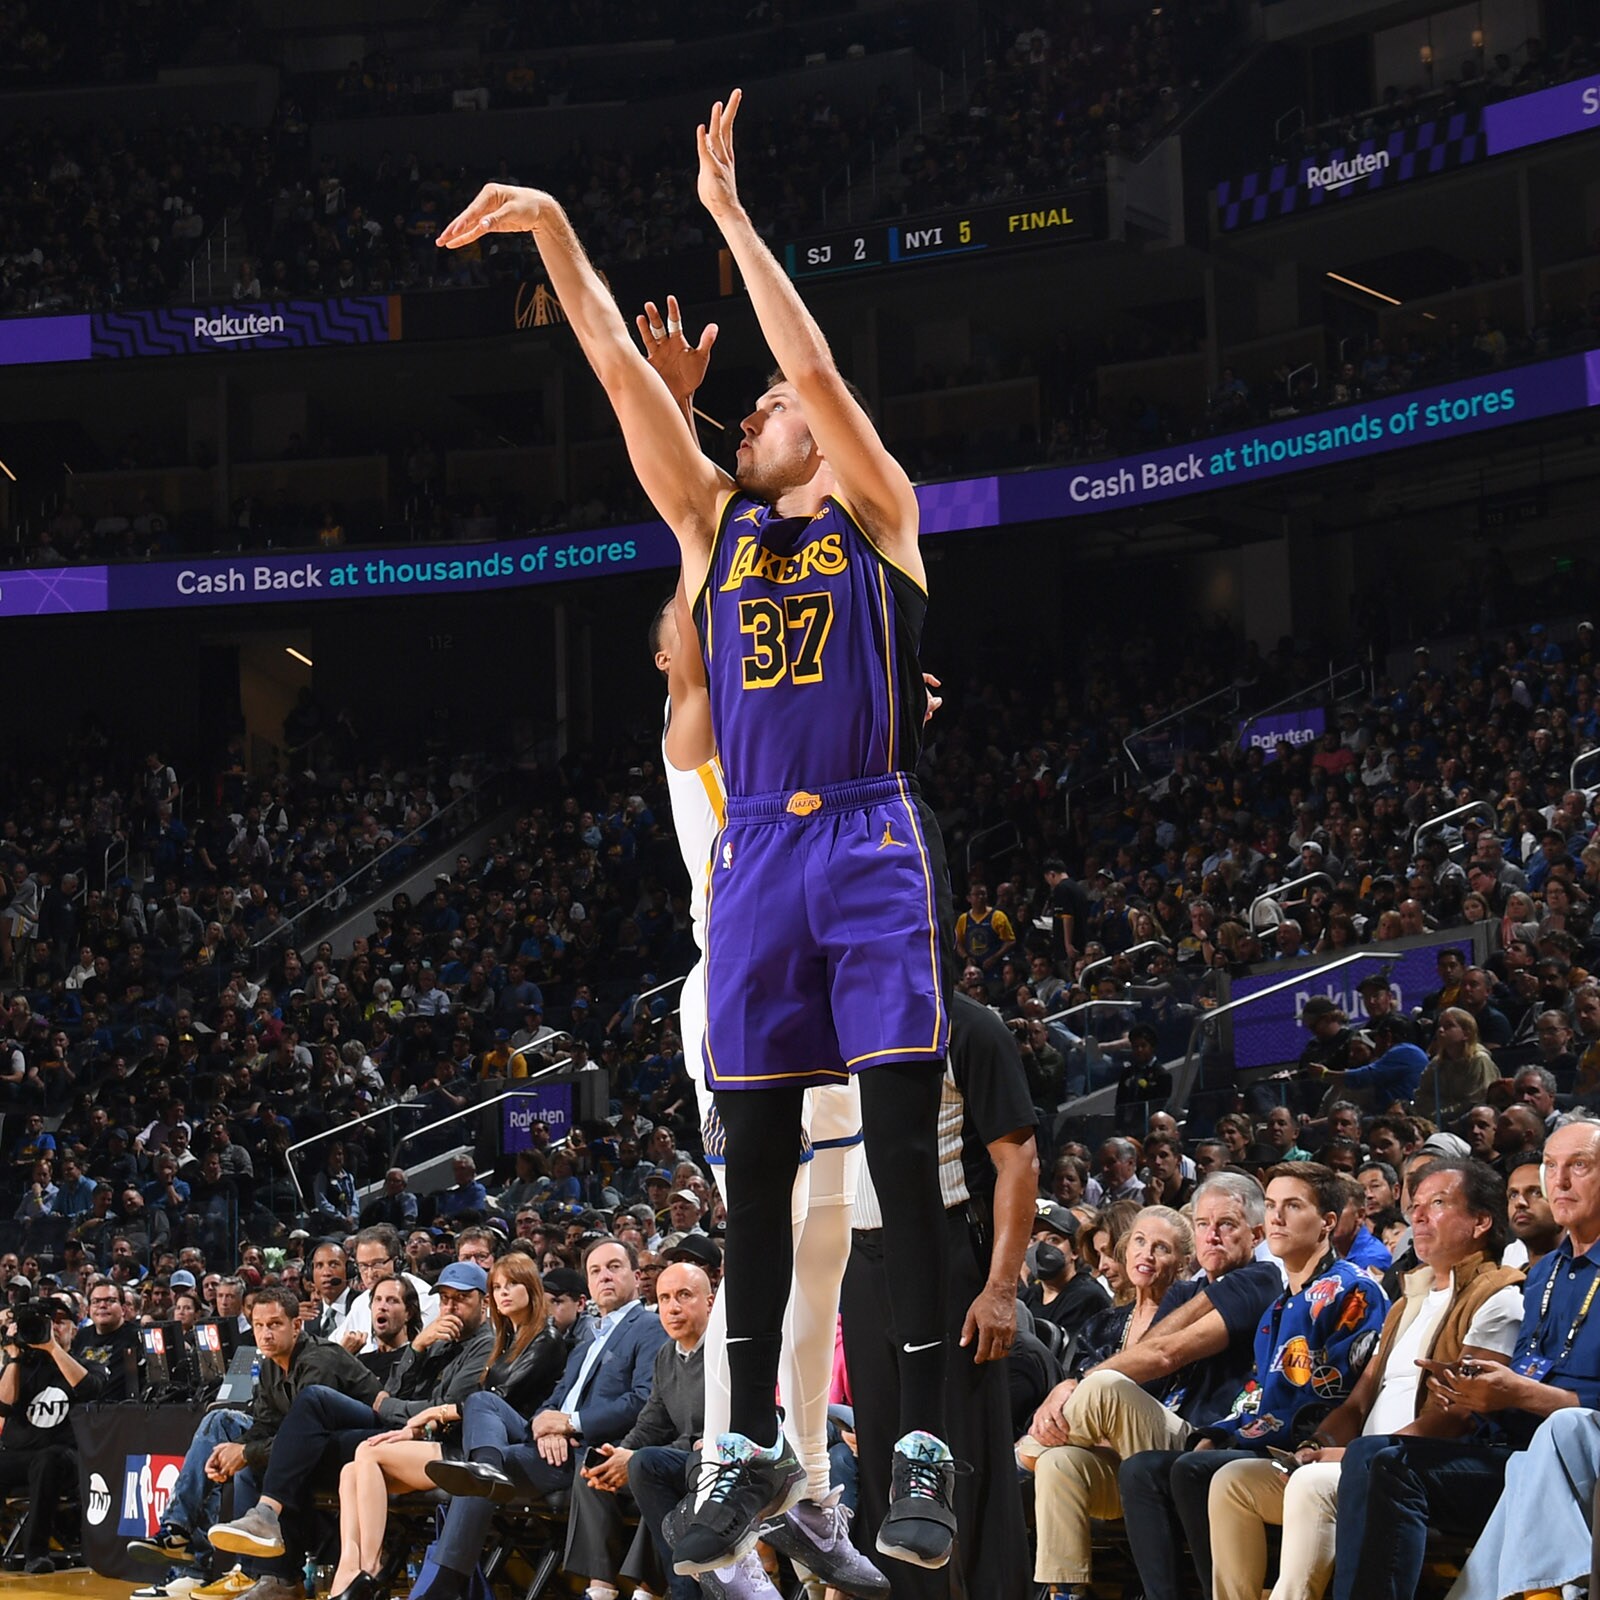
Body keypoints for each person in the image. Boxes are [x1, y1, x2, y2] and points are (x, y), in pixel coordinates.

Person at [439, 89, 958, 1572]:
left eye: (776, 410)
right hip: (752, 873)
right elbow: (615, 372)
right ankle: (749, 1460)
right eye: (759, 416)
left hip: (862, 835)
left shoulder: (876, 513)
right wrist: (552, 228)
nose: (765, 412)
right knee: (755, 1164)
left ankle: (912, 1453)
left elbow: (812, 361)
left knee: (899, 1161)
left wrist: (730, 219)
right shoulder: (712, 535)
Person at [645, 527, 878, 1597]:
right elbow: (708, 559)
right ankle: (722, 1487)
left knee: (822, 1244)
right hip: (743, 995)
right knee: (762, 1251)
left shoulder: (802, 720)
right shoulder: (697, 723)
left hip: (830, 987)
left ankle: (812, 1487)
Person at [1205, 1158, 1524, 1600]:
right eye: (1417, 1205)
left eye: (1438, 1204)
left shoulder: (1498, 1297)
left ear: (1481, 1222)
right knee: (1233, 1482)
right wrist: (1316, 1445)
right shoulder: (1407, 1301)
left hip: (1413, 1468)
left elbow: (1458, 1416)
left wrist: (1346, 1457)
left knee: (1312, 1484)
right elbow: (1356, 1404)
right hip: (1356, 1459)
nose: (1418, 1216)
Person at [1328, 1113, 1600, 1600]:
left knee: (1392, 1465)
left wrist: (1523, 1393)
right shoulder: (1543, 1275)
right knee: (1373, 1455)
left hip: (1578, 1455)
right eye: (1551, 1167)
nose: (1558, 1181)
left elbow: (1573, 1415)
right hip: (1512, 1451)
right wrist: (1477, 1389)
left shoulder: (1512, 1283)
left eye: (1579, 1165)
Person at [841, 990, 1039, 1600]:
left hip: (948, 1247)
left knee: (961, 1452)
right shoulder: (836, 1024)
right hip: (860, 1257)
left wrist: (1001, 1288)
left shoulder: (969, 1024)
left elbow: (1020, 1161)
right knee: (882, 1459)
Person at [1117, 1163, 1388, 1600]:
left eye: (1293, 1206)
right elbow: (1257, 1395)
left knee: (1193, 1471)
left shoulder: (1352, 1290)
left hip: (1307, 1448)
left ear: (1328, 1223)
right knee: (1144, 1468)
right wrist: (1217, 1433)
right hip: (1262, 1440)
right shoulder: (1278, 1309)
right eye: (1274, 1206)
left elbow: (1330, 1400)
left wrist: (1243, 1440)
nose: (1276, 1217)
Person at [1020, 1174, 1284, 1600]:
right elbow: (1153, 1349)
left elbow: (1167, 1354)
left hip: (1202, 1442)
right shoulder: (1190, 1292)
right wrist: (1067, 1386)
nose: (1212, 1235)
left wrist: (1076, 1384)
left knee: (1103, 1384)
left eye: (1226, 1225)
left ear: (1255, 1233)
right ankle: (1065, 1591)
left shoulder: (1261, 1278)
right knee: (1060, 1465)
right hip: (1147, 1448)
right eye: (1202, 1224)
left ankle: (1021, 1456)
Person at [420, 1240, 669, 1600]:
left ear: (635, 1274)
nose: (604, 1277)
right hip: (546, 1445)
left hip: (590, 1450)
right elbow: (553, 1401)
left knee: (475, 1469)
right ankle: (487, 1468)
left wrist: (570, 1423)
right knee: (480, 1402)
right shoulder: (584, 1344)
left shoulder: (649, 1326)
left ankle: (442, 1588)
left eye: (614, 1267)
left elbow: (642, 1401)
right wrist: (542, 1424)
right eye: (595, 1271)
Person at [326, 1254, 562, 1600]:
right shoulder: (492, 1339)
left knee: (367, 1452)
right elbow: (398, 1397)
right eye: (498, 1286)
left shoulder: (539, 1338)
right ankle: (350, 1571)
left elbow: (488, 1401)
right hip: (457, 1438)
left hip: (495, 1447)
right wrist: (419, 1347)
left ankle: (369, 1571)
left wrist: (419, 1422)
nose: (503, 1293)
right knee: (350, 1471)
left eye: (511, 1285)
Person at [575, 1262, 715, 1600]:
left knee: (645, 1467)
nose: (673, 1307)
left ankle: (660, 1590)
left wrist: (633, 1457)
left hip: (717, 1460)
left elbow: (721, 1431)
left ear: (710, 1302)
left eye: (684, 1296)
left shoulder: (725, 1351)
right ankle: (601, 1589)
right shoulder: (667, 1353)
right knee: (593, 1471)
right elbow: (652, 1419)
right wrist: (618, 1454)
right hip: (682, 1459)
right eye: (665, 1298)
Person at [0, 1295, 104, 1573]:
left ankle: (36, 1552)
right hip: (18, 1457)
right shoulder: (20, 1367)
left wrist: (53, 1348)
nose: (54, 1328)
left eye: (60, 1322)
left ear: (74, 1328)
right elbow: (4, 1405)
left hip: (65, 1459)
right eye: (47, 1323)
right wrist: (13, 1358)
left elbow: (90, 1390)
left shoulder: (87, 1365)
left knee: (48, 1460)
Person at [1414, 1007, 1501, 1127]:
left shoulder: (1479, 1060)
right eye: (1440, 1025)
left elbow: (1476, 1102)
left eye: (1448, 1026)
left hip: (1469, 1125)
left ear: (1466, 1033)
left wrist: (1440, 1111)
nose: (1440, 1030)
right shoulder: (1436, 1063)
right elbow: (1421, 1096)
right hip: (1436, 1121)